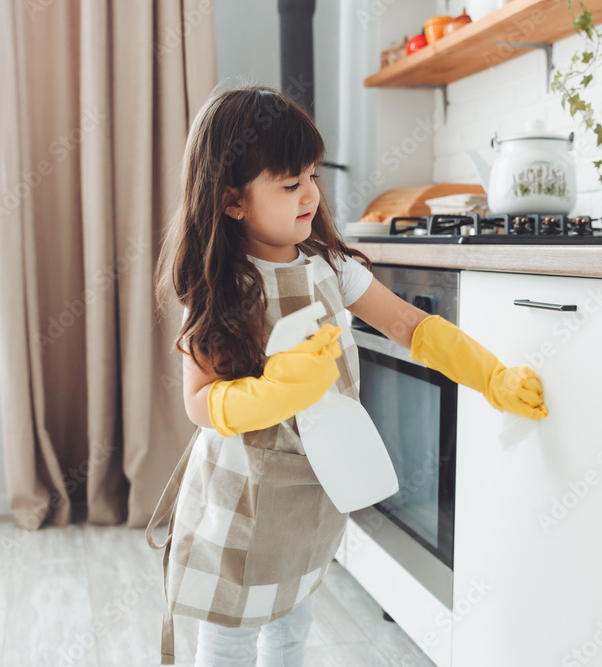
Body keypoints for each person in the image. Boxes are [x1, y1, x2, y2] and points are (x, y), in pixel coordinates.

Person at [146, 84, 548, 667]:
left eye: (312, 174)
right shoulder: (221, 286)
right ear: (232, 200)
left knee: (291, 619)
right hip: (241, 499)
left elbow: (410, 324)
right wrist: (276, 392)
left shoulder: (329, 265)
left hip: (315, 488)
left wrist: (491, 377)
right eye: (290, 184)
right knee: (229, 633)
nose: (310, 193)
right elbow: (200, 401)